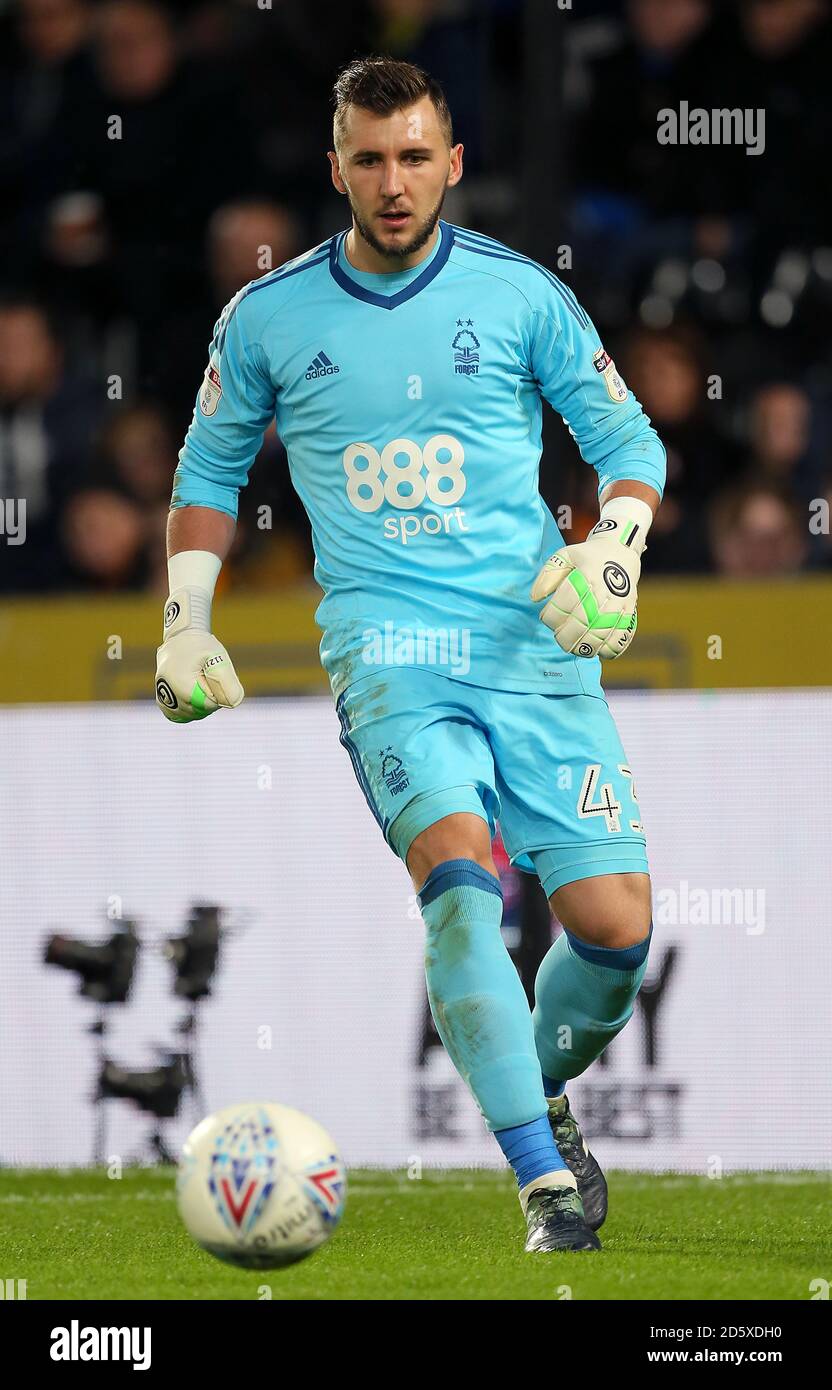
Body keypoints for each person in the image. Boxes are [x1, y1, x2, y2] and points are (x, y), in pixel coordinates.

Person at [155, 56, 666, 1254]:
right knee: (459, 891)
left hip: (532, 645)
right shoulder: (269, 315)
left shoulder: (523, 295)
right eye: (369, 160)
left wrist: (619, 546)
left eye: (414, 156)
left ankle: (533, 1089)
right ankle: (545, 1188)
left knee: (614, 930)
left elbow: (624, 433)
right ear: (336, 168)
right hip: (388, 655)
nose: (393, 183)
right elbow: (208, 471)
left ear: (452, 163)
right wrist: (186, 617)